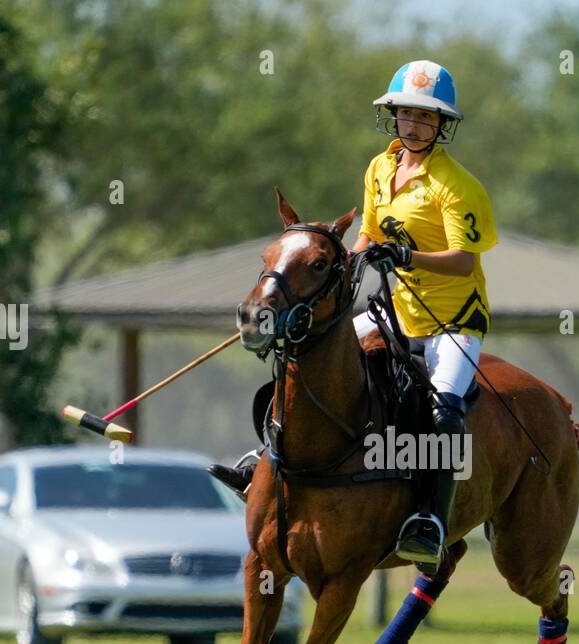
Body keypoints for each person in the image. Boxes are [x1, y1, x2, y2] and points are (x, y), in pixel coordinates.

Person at [209, 59, 498, 568]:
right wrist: (345, 260)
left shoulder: (458, 187)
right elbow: (368, 232)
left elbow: (464, 261)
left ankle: (430, 520)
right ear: (394, 117)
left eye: (426, 118)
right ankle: (262, 464)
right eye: (407, 114)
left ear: (442, 126)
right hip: (395, 311)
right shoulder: (379, 168)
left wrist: (406, 255)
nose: (414, 125)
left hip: (452, 323)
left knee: (445, 411)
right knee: (306, 352)